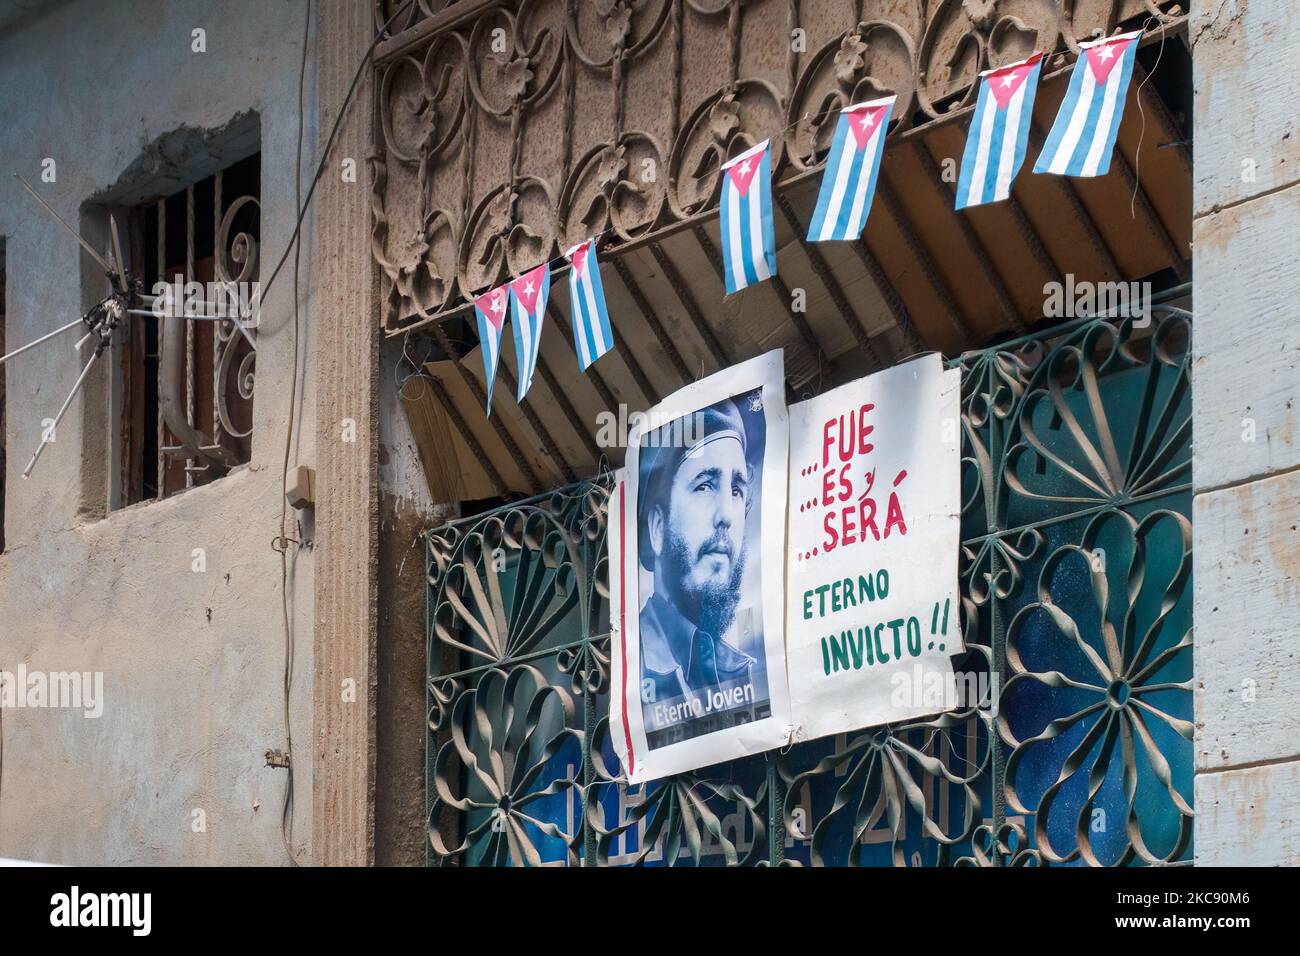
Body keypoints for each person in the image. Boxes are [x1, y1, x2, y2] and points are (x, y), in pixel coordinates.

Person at [637, 399, 756, 704]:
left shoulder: (747, 673)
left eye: (736, 490)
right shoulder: (628, 666)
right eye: (705, 486)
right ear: (658, 528)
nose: (727, 515)